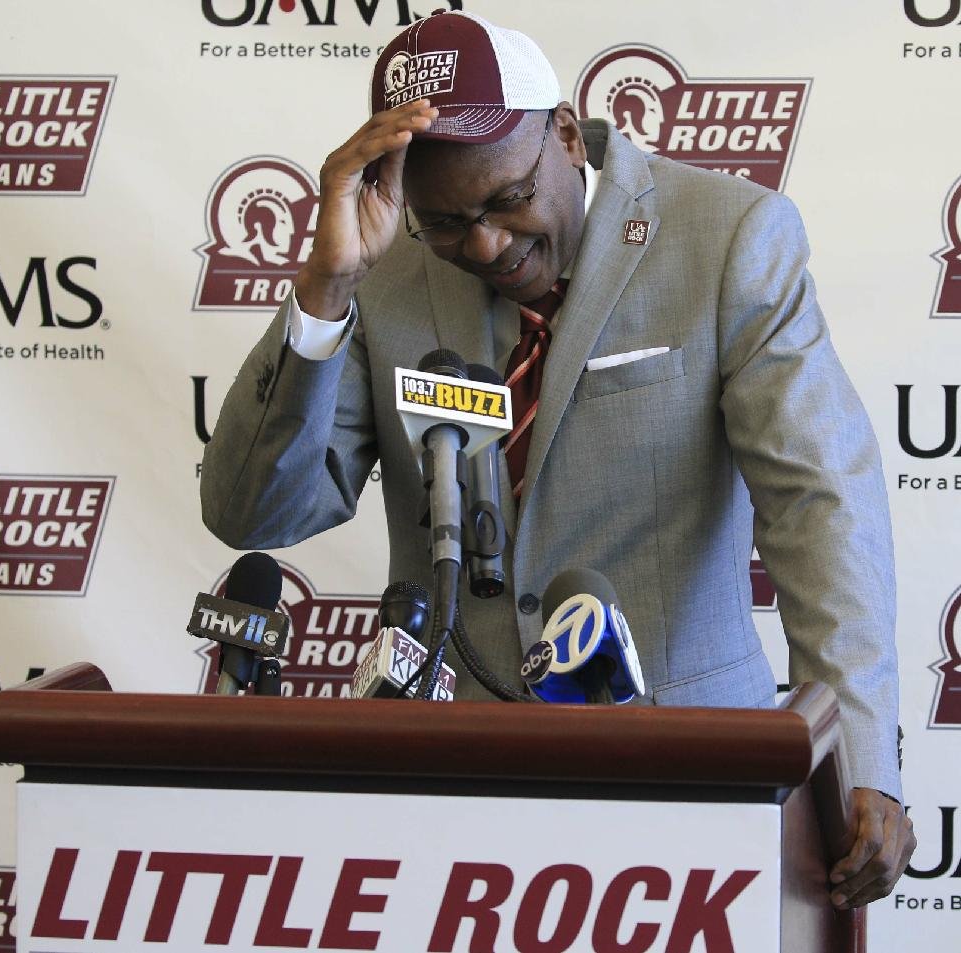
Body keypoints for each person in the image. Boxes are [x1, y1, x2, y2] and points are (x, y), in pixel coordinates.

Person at [201, 10, 915, 906]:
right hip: (449, 796)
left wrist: (857, 752)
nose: (488, 246)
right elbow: (252, 515)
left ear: (567, 135)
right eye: (448, 223)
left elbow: (820, 504)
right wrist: (326, 287)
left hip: (689, 788)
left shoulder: (730, 237)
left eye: (507, 201)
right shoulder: (383, 279)